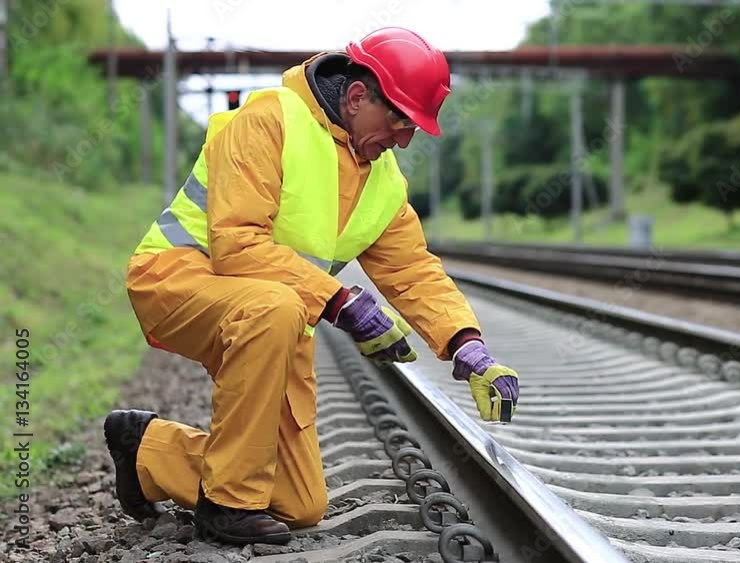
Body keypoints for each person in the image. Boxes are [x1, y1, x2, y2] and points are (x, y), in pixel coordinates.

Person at [103, 27, 519, 547]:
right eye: (399, 119)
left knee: (298, 503)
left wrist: (467, 344)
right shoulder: (269, 118)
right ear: (357, 95)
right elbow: (236, 243)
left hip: (268, 314)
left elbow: (412, 269)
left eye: (413, 126)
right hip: (178, 278)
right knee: (278, 309)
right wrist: (339, 302)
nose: (404, 138)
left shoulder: (382, 181)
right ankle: (225, 505)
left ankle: (147, 449)